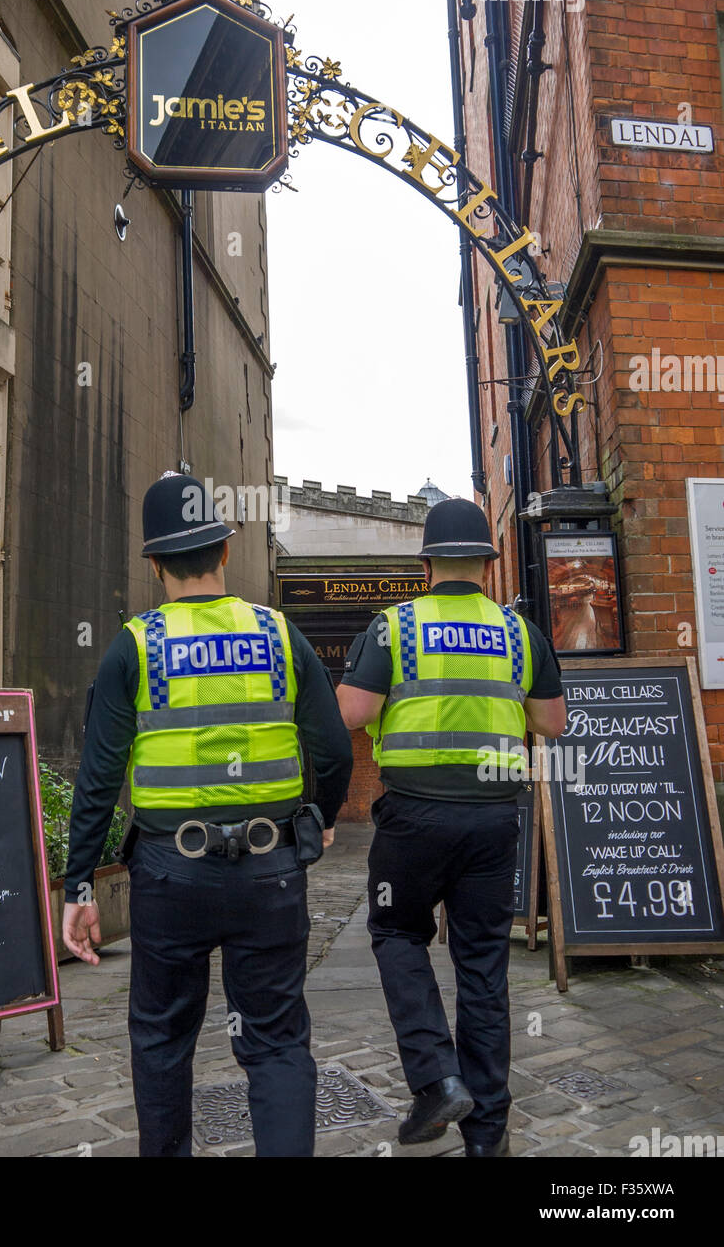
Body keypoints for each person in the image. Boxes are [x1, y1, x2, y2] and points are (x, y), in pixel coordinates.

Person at [63, 472, 353, 1157]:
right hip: (271, 867)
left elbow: (98, 779)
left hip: (170, 873)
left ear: (156, 563)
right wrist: (323, 814)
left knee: (163, 1040)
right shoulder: (280, 634)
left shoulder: (133, 646)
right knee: (278, 1040)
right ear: (223, 551)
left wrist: (79, 886)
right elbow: (333, 747)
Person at [336, 498, 566, 1157]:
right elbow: (552, 724)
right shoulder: (517, 631)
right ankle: (486, 1142)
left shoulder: (393, 628)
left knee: (395, 932)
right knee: (483, 973)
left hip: (412, 818)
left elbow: (351, 714)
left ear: (427, 561)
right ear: (488, 564)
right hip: (494, 821)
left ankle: (436, 1078)